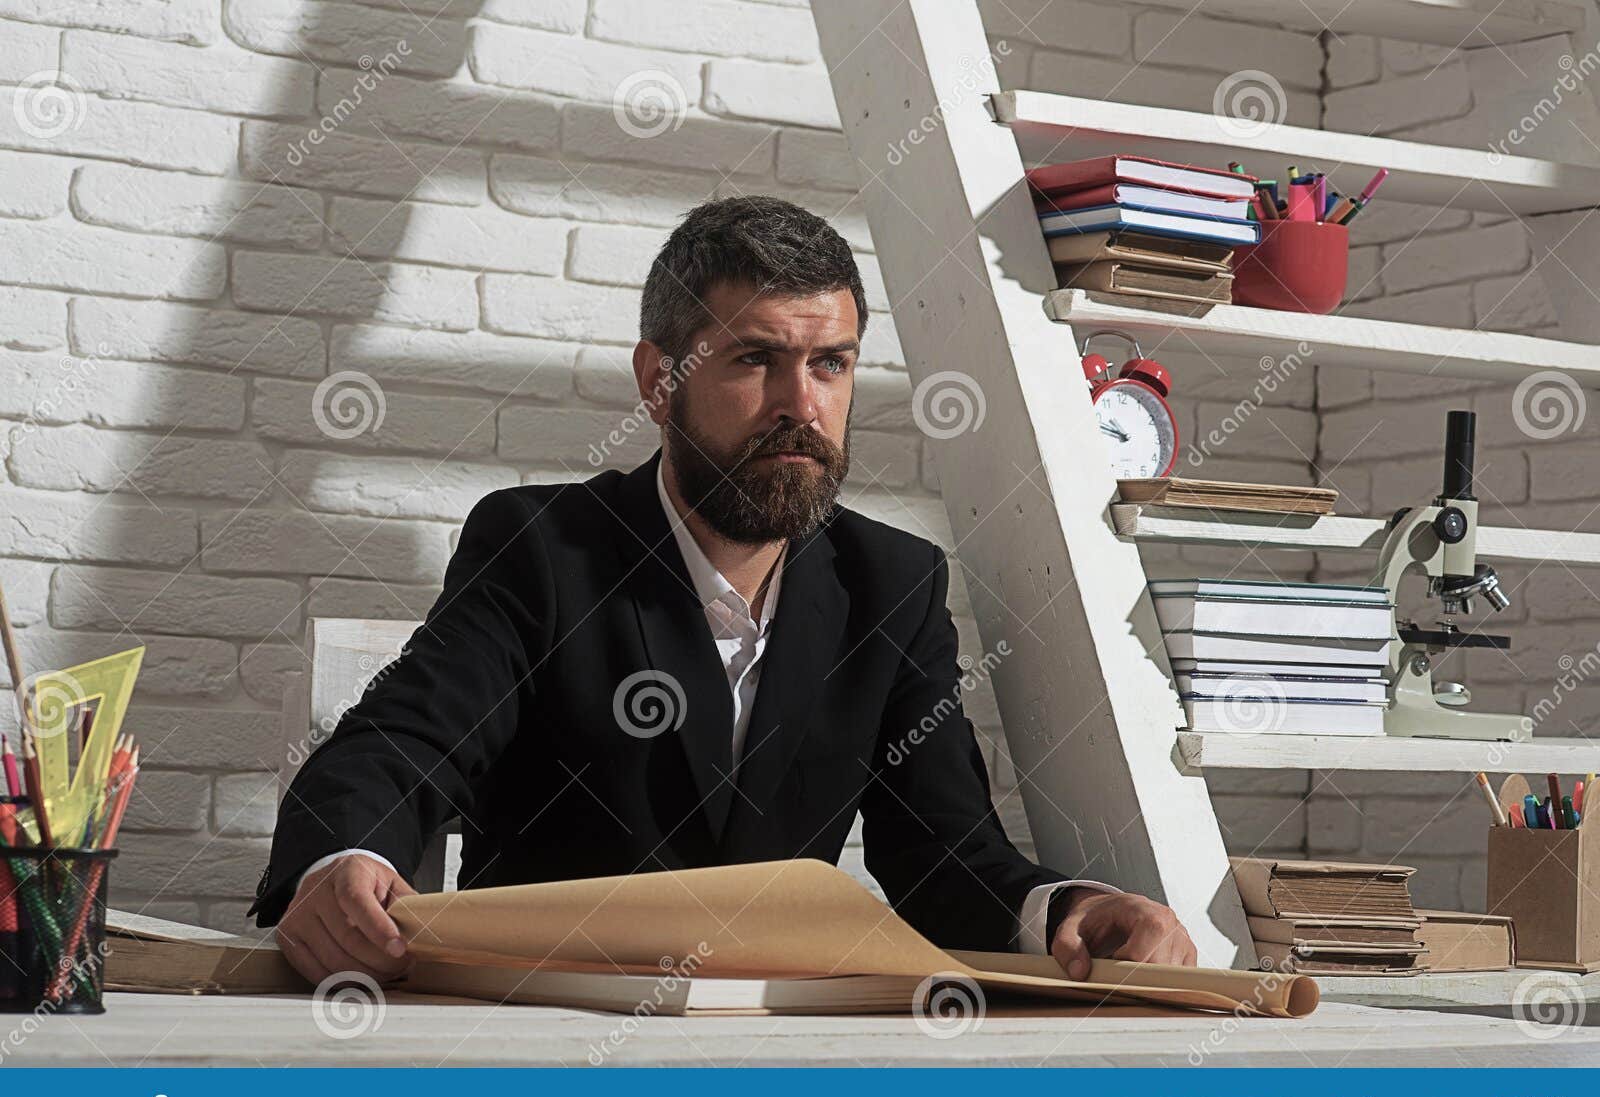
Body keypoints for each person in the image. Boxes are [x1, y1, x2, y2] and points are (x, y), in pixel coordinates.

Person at [254, 195, 1197, 985]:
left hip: (780, 1052)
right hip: (547, 1035)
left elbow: (944, 856)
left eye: (830, 363)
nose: (802, 404)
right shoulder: (543, 549)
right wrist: (344, 861)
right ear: (658, 381)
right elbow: (401, 745)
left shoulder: (894, 586)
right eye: (755, 360)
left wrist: (1069, 911)